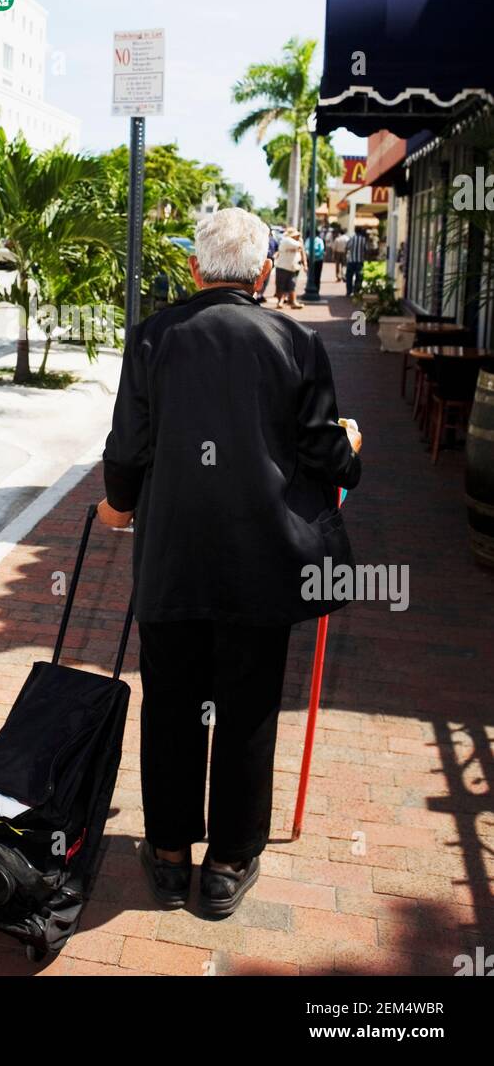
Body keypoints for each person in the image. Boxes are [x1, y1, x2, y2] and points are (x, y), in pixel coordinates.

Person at [98, 208, 362, 919]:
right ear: (262, 271)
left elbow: (127, 447)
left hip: (173, 558)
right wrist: (352, 447)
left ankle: (166, 852)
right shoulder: (294, 341)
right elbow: (322, 454)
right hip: (259, 559)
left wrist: (115, 508)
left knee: (173, 703)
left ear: (194, 269)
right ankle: (228, 861)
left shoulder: (153, 337)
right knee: (246, 708)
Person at [273, 226, 306, 309]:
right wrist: (300, 241)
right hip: (283, 267)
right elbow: (300, 246)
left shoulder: (290, 241)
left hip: (291, 267)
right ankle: (281, 302)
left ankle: (291, 302)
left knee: (291, 285)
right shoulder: (287, 240)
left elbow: (301, 251)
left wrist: (304, 263)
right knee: (282, 286)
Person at [344, 227, 367, 297]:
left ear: (355, 231)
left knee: (349, 277)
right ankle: (357, 291)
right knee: (359, 277)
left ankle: (349, 291)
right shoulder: (364, 240)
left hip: (351, 260)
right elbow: (366, 249)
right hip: (360, 261)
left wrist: (346, 256)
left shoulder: (351, 239)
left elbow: (346, 247)